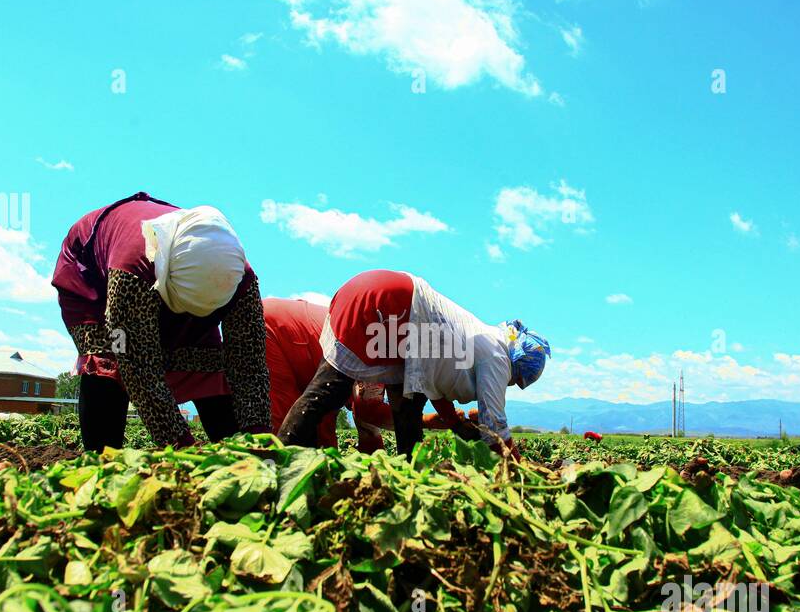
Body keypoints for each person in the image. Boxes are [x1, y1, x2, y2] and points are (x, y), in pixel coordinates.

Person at [51, 192, 271, 451]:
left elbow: (250, 366)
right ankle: (102, 457)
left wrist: (259, 441)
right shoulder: (131, 271)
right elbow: (139, 368)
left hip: (175, 286)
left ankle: (238, 450)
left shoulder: (238, 278)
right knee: (110, 358)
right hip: (95, 284)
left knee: (208, 361)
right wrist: (181, 448)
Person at [276, 269, 550, 458]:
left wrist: (453, 423)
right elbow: (495, 426)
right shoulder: (498, 354)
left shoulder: (477, 337)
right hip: (394, 303)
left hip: (388, 297)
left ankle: (408, 472)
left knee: (408, 405)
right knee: (330, 390)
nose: (508, 383)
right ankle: (276, 460)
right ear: (517, 364)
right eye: (514, 380)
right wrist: (517, 470)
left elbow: (436, 384)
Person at [263, 295, 472, 451]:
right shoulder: (385, 352)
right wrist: (426, 421)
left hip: (294, 331)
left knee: (312, 422)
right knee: (289, 439)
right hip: (279, 331)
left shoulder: (390, 346)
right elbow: (368, 411)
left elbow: (366, 420)